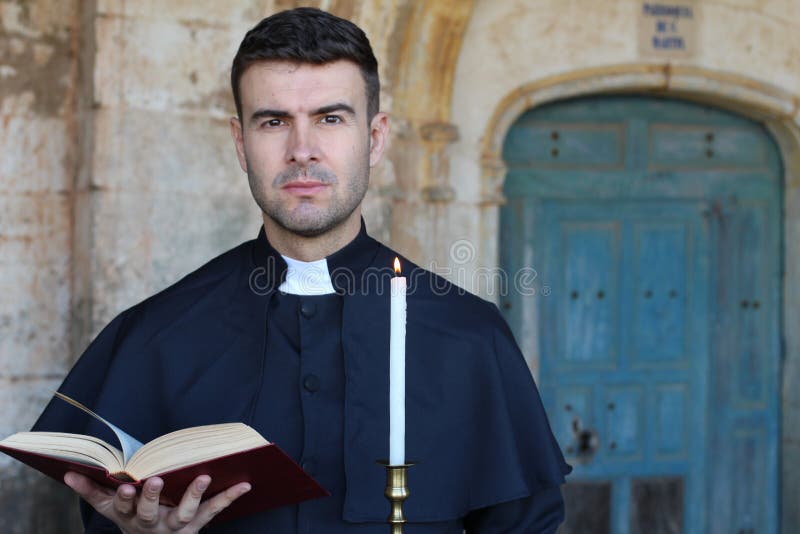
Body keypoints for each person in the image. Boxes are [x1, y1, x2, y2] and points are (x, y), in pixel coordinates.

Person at [32, 7, 570, 533]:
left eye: (330, 119)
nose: (302, 150)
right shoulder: (156, 335)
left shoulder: (471, 335)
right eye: (274, 122)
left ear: (375, 138)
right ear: (241, 143)